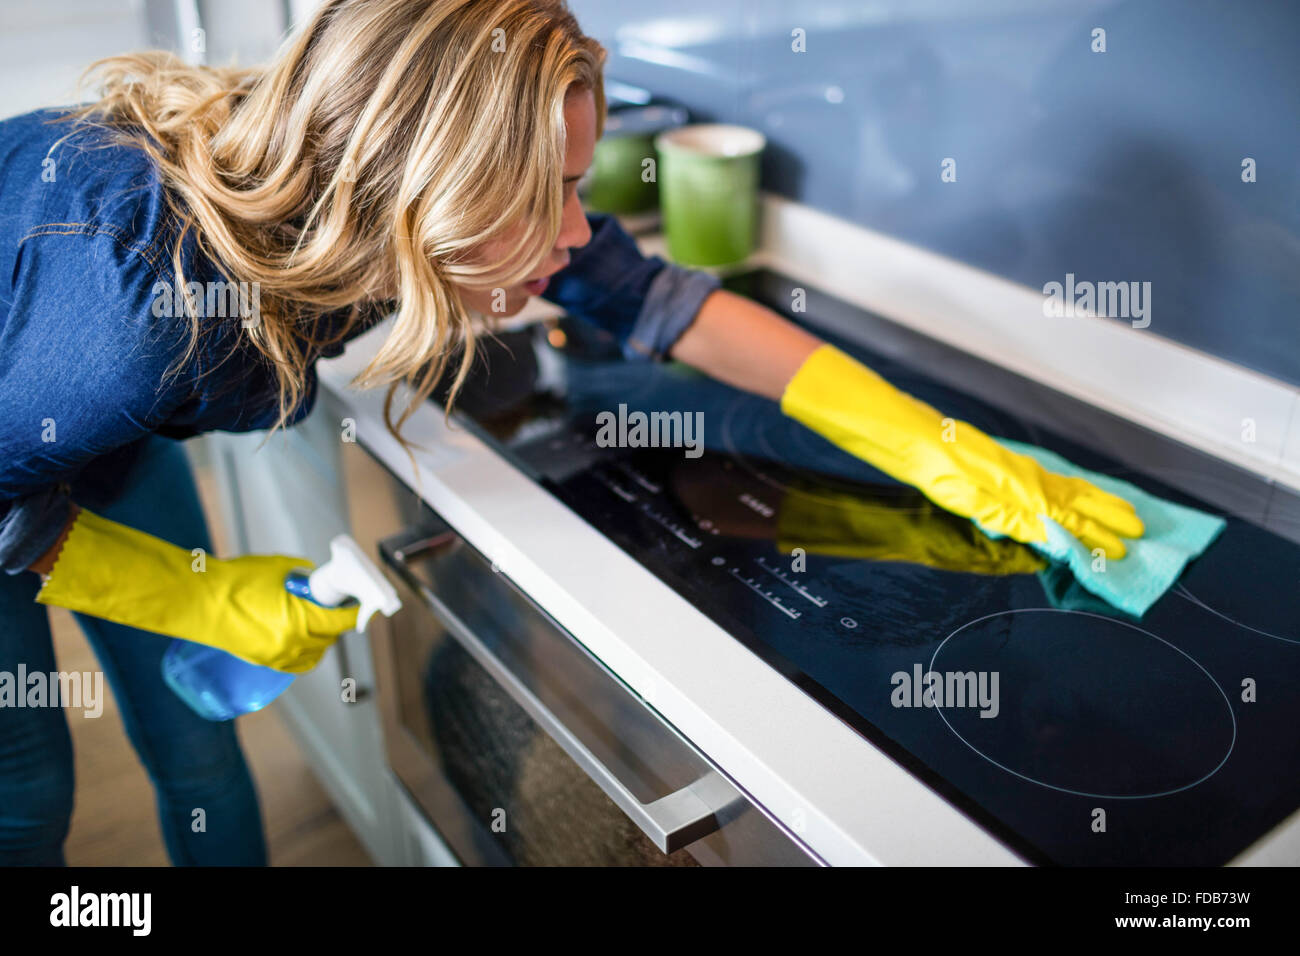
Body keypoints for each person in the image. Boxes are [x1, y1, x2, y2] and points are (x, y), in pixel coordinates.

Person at [0, 0, 1143, 866]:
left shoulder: (377, 191)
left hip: (70, 419)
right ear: (429, 183)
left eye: (578, 181)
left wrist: (934, 442)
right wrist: (186, 596)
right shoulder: (132, 312)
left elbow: (667, 304)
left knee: (192, 735)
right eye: (544, 189)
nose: (574, 228)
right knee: (30, 786)